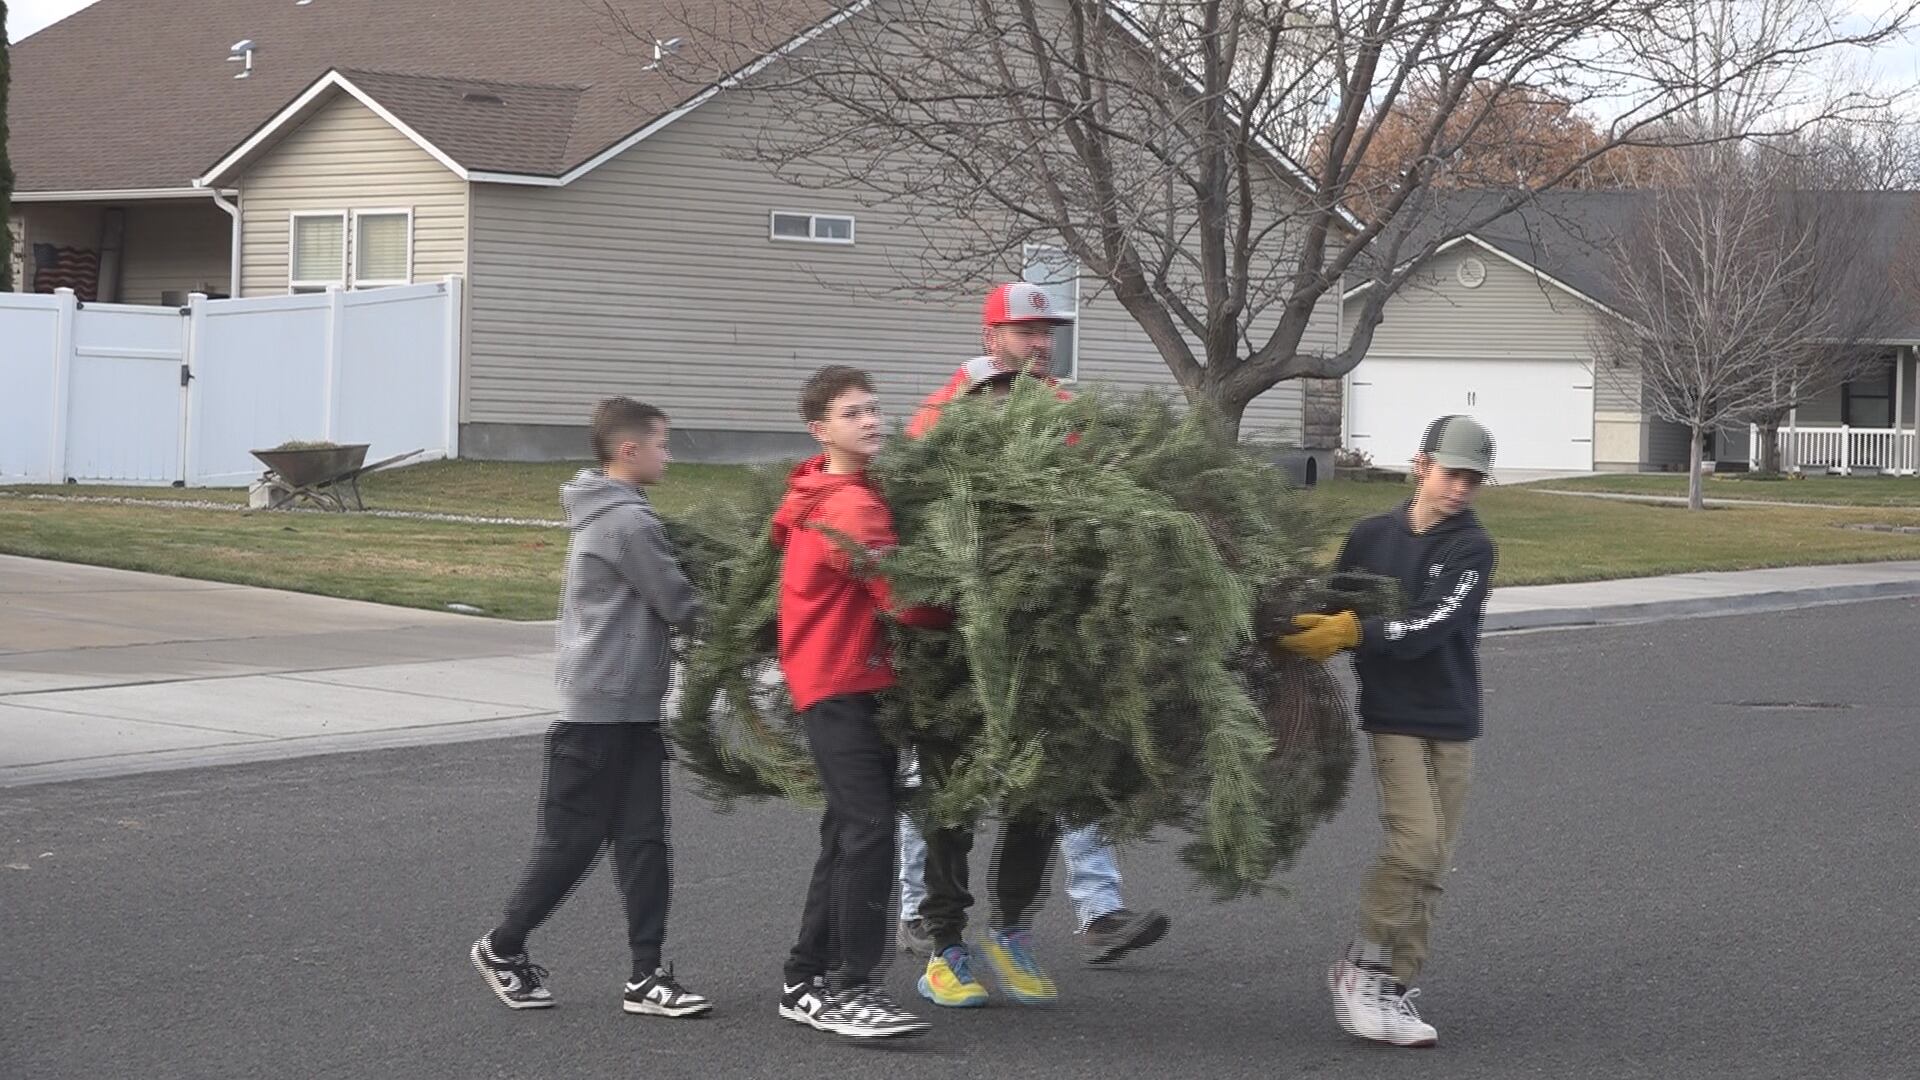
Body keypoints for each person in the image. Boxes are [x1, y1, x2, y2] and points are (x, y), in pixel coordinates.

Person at [906, 284, 1168, 1014]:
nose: (1042, 344)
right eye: (1027, 332)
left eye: (1047, 332)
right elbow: (909, 522)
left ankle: (1013, 930)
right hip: (954, 655)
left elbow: (1099, 506)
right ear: (992, 337)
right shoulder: (943, 415)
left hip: (1042, 648)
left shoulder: (1062, 413)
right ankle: (944, 947)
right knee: (949, 803)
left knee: (1040, 795)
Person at [471, 397, 710, 1018]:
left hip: (629, 710)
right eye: (661, 444)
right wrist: (753, 623)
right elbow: (680, 603)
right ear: (627, 451)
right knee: (571, 844)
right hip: (598, 715)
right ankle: (502, 948)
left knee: (645, 843)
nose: (669, 455)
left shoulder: (617, 513)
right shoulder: (627, 525)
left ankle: (647, 976)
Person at [1275, 414, 1498, 1049]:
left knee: (1435, 860)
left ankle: (1395, 988)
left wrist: (1352, 632)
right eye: (1450, 472)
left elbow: (1432, 623)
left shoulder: (1471, 548)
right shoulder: (1373, 535)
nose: (1459, 488)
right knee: (1415, 842)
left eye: (1472, 479)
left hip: (1452, 718)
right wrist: (1292, 624)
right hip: (1393, 716)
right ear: (1420, 464)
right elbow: (1330, 597)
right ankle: (1361, 970)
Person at [774, 365, 947, 1040]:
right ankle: (854, 988)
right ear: (821, 430)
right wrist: (969, 613)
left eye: (874, 409)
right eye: (853, 414)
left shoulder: (815, 489)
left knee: (846, 834)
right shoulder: (854, 506)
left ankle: (802, 978)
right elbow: (903, 600)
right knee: (870, 832)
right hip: (846, 684)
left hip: (832, 680)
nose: (871, 421)